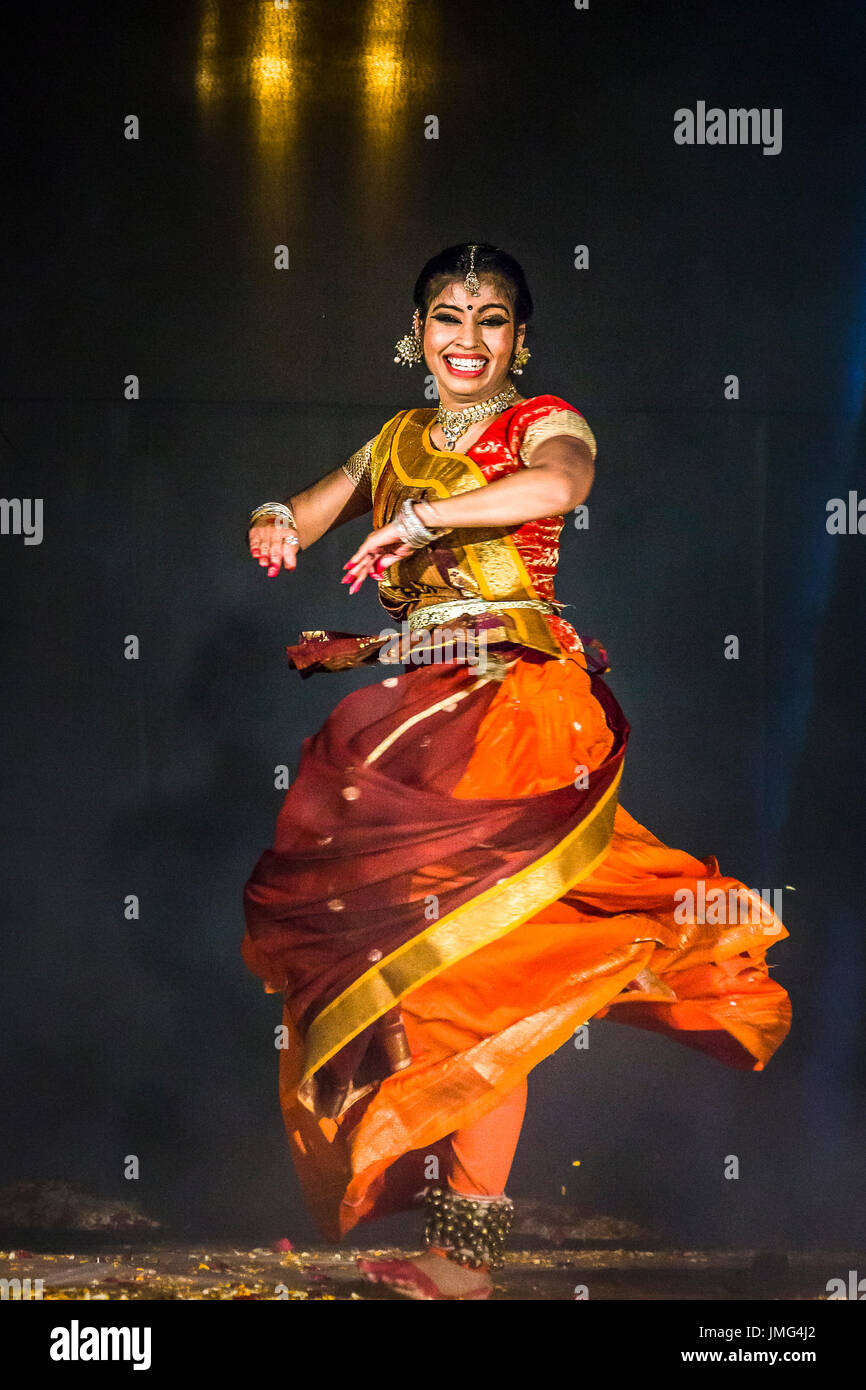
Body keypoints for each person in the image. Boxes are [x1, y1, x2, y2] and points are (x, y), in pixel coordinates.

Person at [241, 243, 791, 1300]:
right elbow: (303, 513)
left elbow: (558, 485)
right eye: (445, 316)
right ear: (414, 334)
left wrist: (428, 517)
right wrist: (272, 520)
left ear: (519, 340)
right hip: (412, 716)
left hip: (515, 703)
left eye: (490, 319)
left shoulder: (541, 421)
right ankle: (459, 1247)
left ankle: (466, 1258)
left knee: (477, 975)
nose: (466, 336)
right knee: (427, 977)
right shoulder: (394, 439)